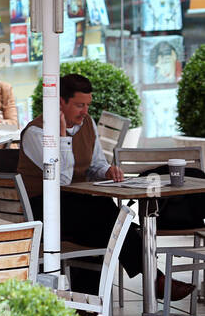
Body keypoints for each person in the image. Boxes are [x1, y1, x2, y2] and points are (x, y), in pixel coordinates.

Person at [19, 73, 191, 299]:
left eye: (88, 105)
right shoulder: (36, 133)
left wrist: (107, 171)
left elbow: (96, 163)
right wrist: (62, 136)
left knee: (107, 219)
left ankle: (96, 299)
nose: (85, 112)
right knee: (107, 218)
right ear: (60, 102)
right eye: (80, 105)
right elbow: (62, 179)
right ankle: (152, 279)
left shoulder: (87, 124)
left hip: (75, 206)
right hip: (44, 211)